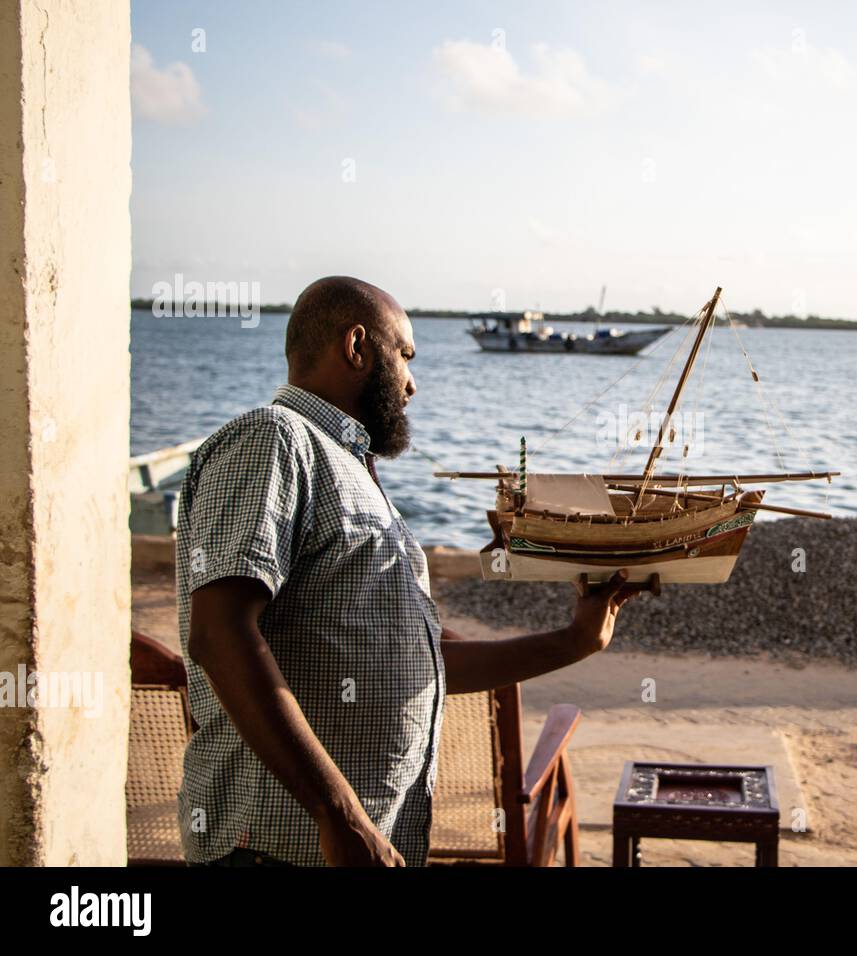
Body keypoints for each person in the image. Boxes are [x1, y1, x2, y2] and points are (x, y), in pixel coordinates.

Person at [176, 276, 641, 866]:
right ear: (357, 348)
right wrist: (339, 815)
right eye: (406, 358)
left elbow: (424, 666)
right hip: (279, 850)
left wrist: (574, 640)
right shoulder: (274, 440)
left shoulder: (353, 474)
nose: (413, 384)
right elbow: (219, 635)